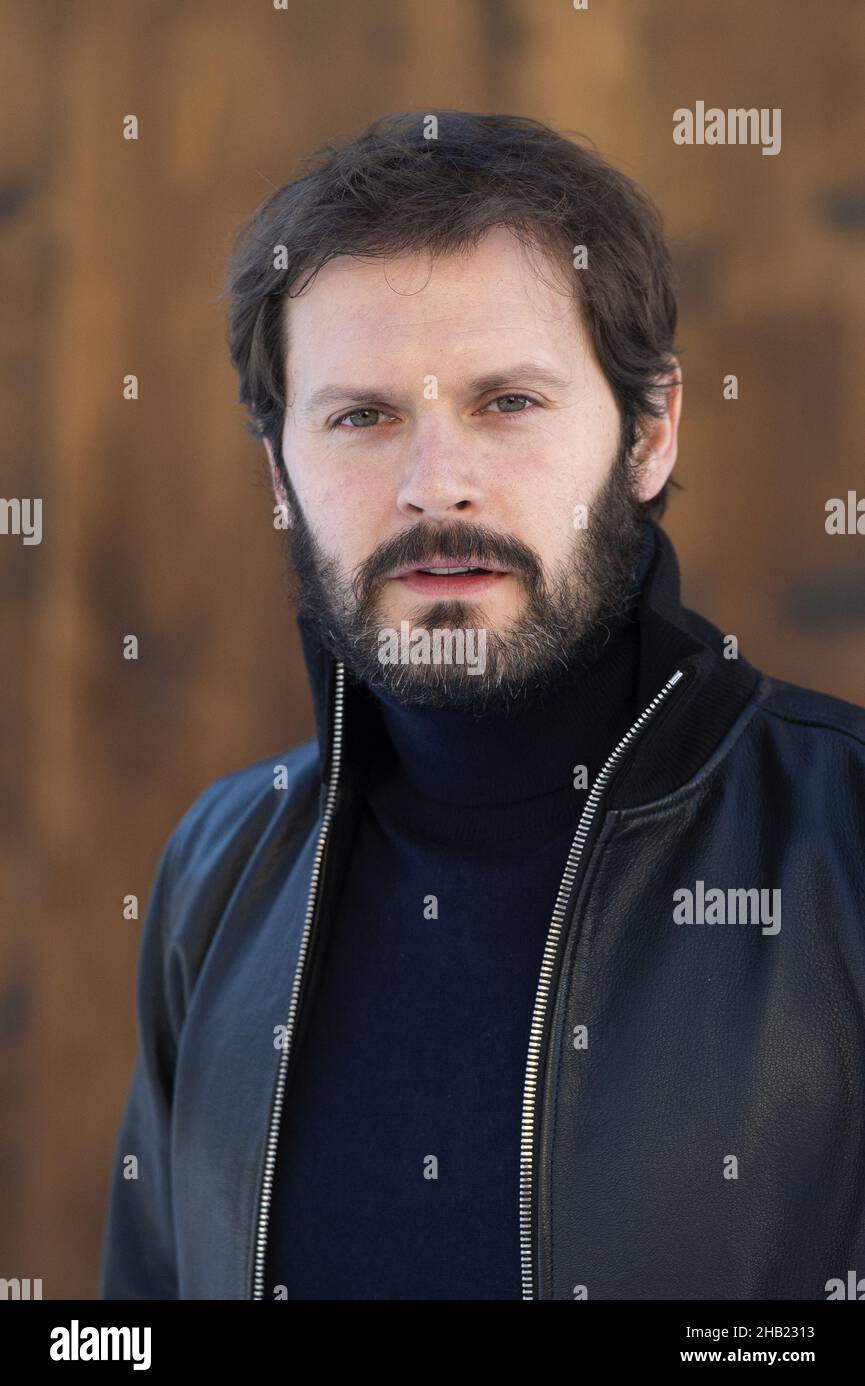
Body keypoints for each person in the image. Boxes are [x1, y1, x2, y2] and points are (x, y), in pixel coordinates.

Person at [99, 110, 865, 1301]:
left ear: (649, 432)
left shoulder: (847, 842)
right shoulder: (217, 866)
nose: (433, 485)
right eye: (363, 415)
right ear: (277, 472)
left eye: (506, 402)